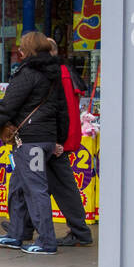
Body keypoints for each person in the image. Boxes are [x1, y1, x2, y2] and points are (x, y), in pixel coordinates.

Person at [0, 30, 67, 255]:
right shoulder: (54, 74)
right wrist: (58, 139)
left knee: (36, 190)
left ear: (28, 51)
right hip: (41, 141)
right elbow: (61, 110)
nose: (18, 51)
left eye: (22, 47)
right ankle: (15, 234)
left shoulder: (27, 74)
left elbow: (8, 106)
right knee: (18, 187)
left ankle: (47, 242)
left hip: (30, 143)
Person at [13, 39, 92, 247]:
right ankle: (23, 227)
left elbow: (60, 109)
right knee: (33, 184)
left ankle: (76, 231)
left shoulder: (56, 73)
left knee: (43, 185)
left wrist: (58, 141)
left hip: (52, 140)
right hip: (53, 140)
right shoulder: (61, 71)